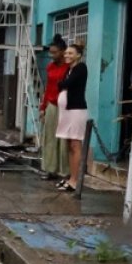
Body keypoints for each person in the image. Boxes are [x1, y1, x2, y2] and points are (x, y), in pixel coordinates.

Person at [56, 42, 89, 192]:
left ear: (78, 55)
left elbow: (66, 83)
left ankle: (76, 180)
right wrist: (62, 83)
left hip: (76, 111)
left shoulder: (80, 68)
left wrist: (62, 84)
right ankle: (71, 177)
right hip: (67, 112)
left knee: (76, 145)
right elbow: (61, 83)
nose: (66, 56)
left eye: (70, 53)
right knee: (70, 145)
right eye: (66, 53)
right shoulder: (68, 69)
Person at [38, 35, 69, 180]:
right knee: (49, 137)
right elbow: (48, 87)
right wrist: (43, 108)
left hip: (65, 105)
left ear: (63, 51)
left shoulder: (69, 67)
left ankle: (65, 171)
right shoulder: (50, 66)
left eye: (54, 52)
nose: (52, 55)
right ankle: (50, 169)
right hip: (51, 104)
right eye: (50, 52)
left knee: (63, 140)